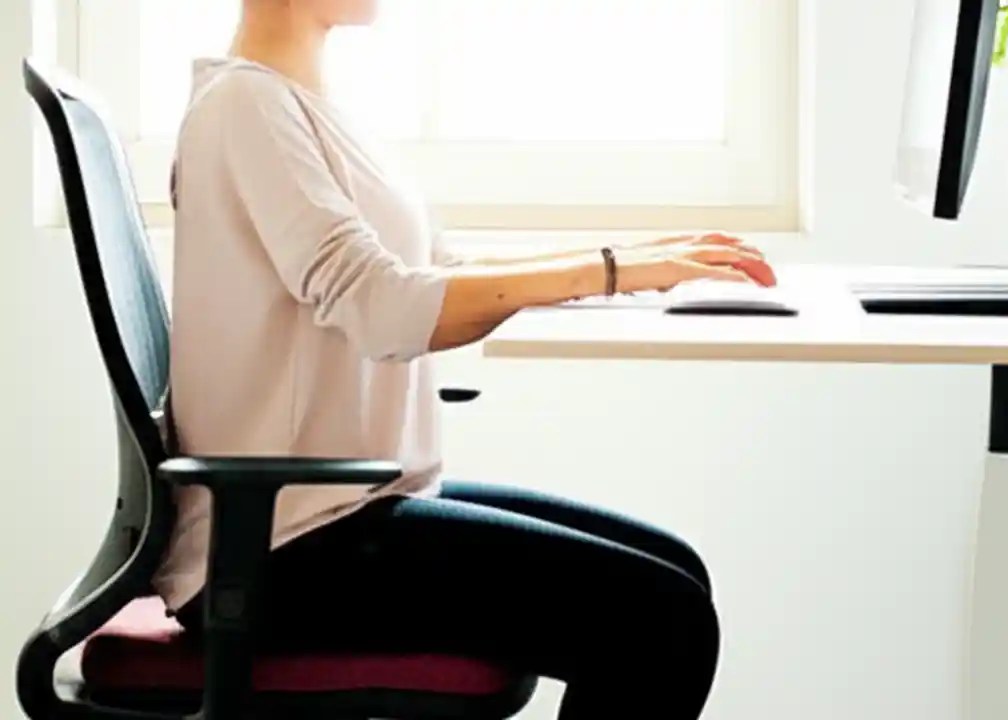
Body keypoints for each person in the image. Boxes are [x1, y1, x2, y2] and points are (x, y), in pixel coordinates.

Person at [151, 1, 778, 718]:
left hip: (344, 508)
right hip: (279, 548)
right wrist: (608, 271)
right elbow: (384, 307)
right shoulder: (244, 106)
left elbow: (435, 269)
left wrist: (631, 261)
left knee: (678, 577)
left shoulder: (303, 107)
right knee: (662, 622)